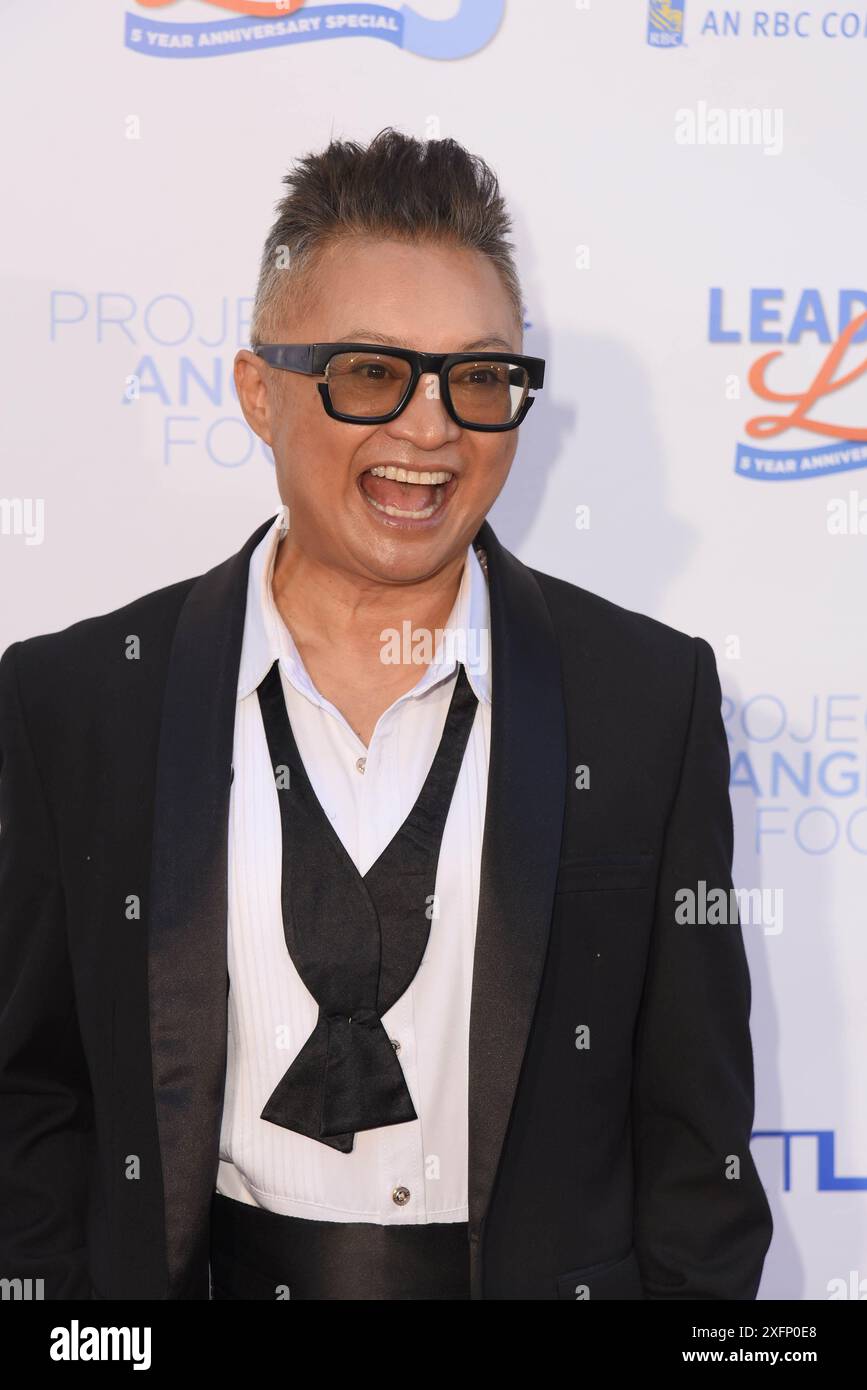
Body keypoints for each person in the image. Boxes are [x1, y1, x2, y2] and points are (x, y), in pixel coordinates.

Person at [0, 128, 772, 1300]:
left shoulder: (646, 700)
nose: (430, 428)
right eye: (371, 371)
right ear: (261, 392)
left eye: (478, 377)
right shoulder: (86, 697)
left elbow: (697, 1147)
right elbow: (33, 1099)